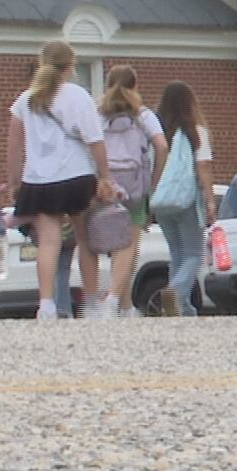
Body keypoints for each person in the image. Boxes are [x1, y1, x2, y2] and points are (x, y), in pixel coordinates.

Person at [4, 41, 117, 321]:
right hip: (76, 175)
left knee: (48, 243)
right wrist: (105, 175)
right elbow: (95, 140)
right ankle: (91, 303)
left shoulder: (25, 100)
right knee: (85, 241)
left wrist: (13, 182)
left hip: (39, 180)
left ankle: (46, 305)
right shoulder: (79, 96)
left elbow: (14, 145)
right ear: (71, 66)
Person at [78, 66, 167, 318]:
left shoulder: (97, 115)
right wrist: (154, 182)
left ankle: (125, 306)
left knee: (108, 243)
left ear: (107, 85)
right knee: (127, 244)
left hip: (104, 184)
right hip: (135, 185)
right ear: (135, 85)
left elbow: (87, 145)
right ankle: (114, 299)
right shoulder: (143, 115)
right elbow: (161, 146)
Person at [151, 82, 220, 316]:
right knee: (193, 254)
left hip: (161, 200)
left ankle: (182, 308)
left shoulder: (157, 132)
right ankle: (173, 293)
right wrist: (211, 201)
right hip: (186, 200)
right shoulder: (195, 131)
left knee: (177, 254)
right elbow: (203, 167)